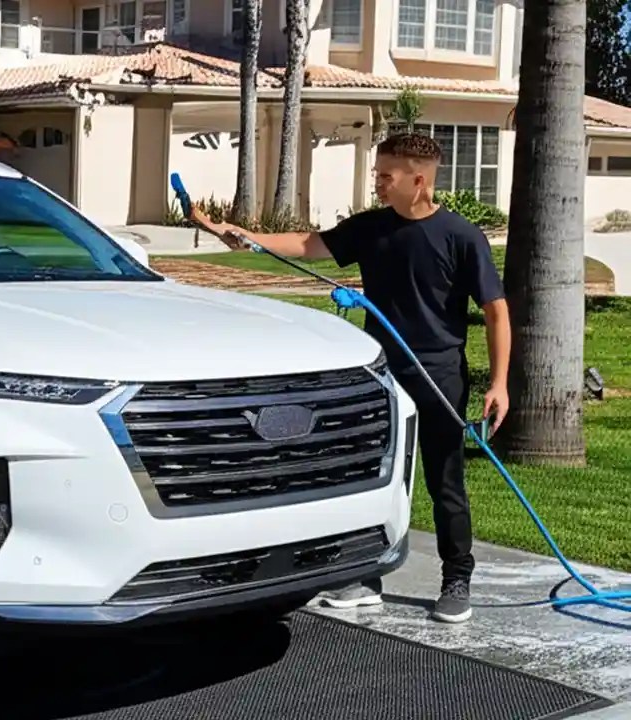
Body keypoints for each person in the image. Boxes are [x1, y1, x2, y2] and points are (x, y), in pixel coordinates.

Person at [189, 132, 511, 624]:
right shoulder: (371, 228)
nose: (377, 182)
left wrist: (499, 383)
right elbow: (309, 243)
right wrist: (246, 236)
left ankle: (456, 578)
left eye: (386, 175)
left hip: (439, 374)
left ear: (418, 181)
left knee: (443, 480)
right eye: (377, 173)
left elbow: (495, 311)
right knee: (372, 475)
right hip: (381, 374)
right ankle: (365, 576)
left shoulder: (460, 236)